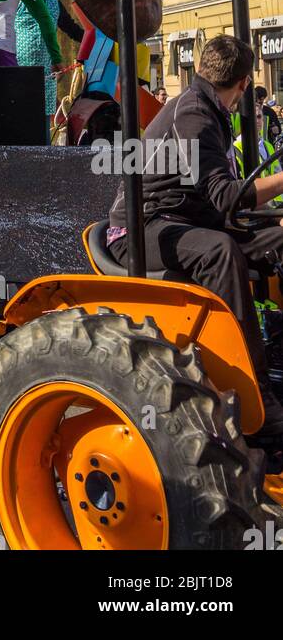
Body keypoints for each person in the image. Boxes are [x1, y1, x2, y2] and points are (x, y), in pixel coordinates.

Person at [106, 36, 283, 457]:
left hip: (185, 219)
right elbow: (224, 198)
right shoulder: (194, 114)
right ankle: (250, 394)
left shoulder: (206, 107)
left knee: (277, 234)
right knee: (220, 250)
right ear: (243, 84)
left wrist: (274, 214)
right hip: (141, 229)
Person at [14, 0, 83, 130]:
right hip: (18, 69)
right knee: (19, 116)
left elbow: (72, 29)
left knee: (42, 122)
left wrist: (95, 36)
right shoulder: (18, 1)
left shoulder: (54, 4)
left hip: (46, 74)